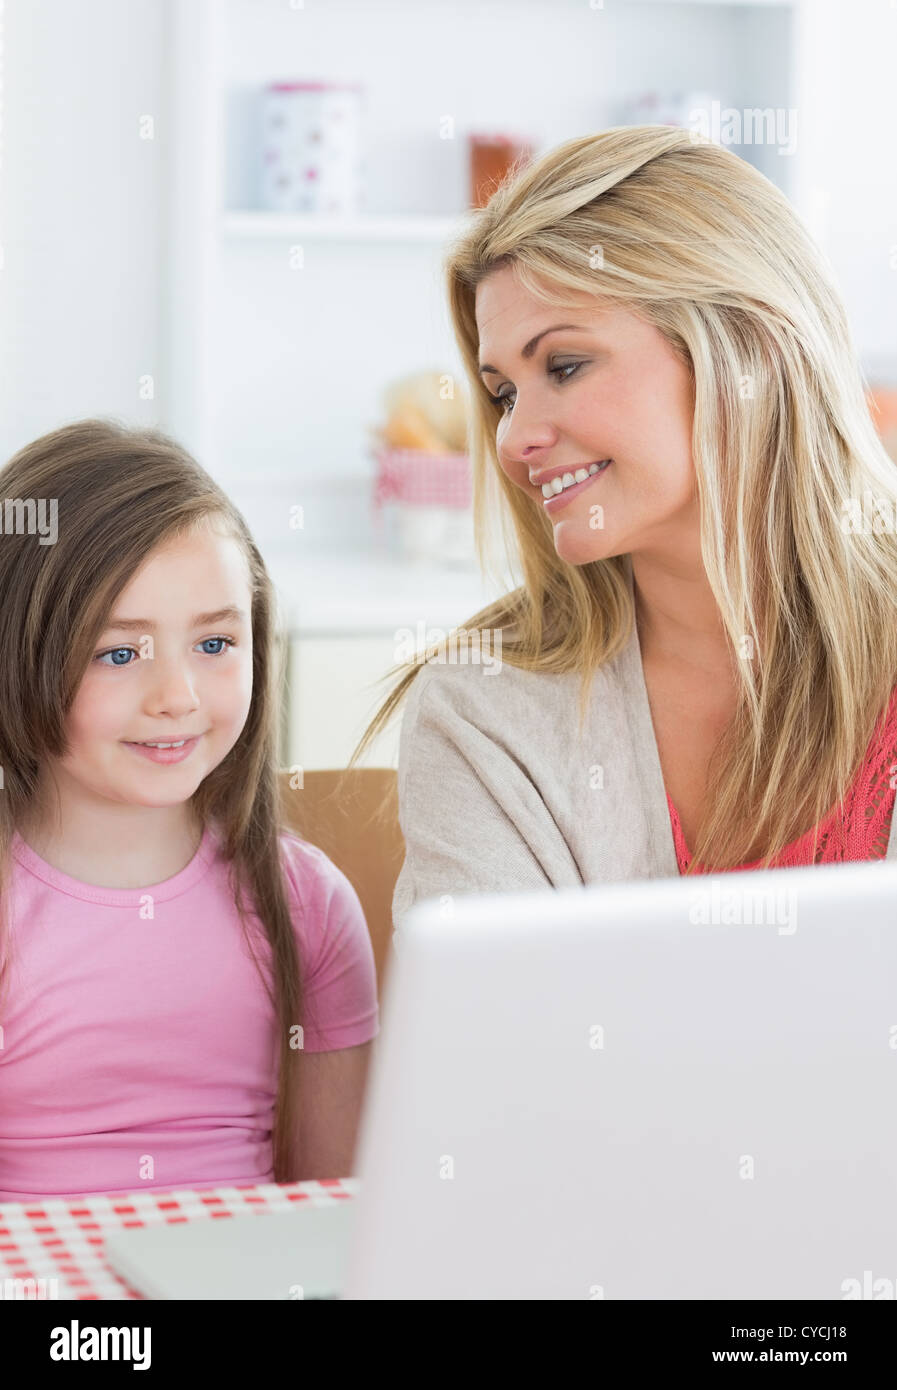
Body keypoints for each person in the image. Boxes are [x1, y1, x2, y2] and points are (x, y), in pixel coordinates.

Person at [344, 125, 897, 931]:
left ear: (748, 348)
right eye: (502, 393)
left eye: (563, 366)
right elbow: (502, 1046)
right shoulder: (486, 710)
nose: (511, 438)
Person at [0, 418, 378, 1201]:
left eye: (214, 645)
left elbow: (330, 1209)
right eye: (118, 652)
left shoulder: (307, 904)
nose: (176, 698)